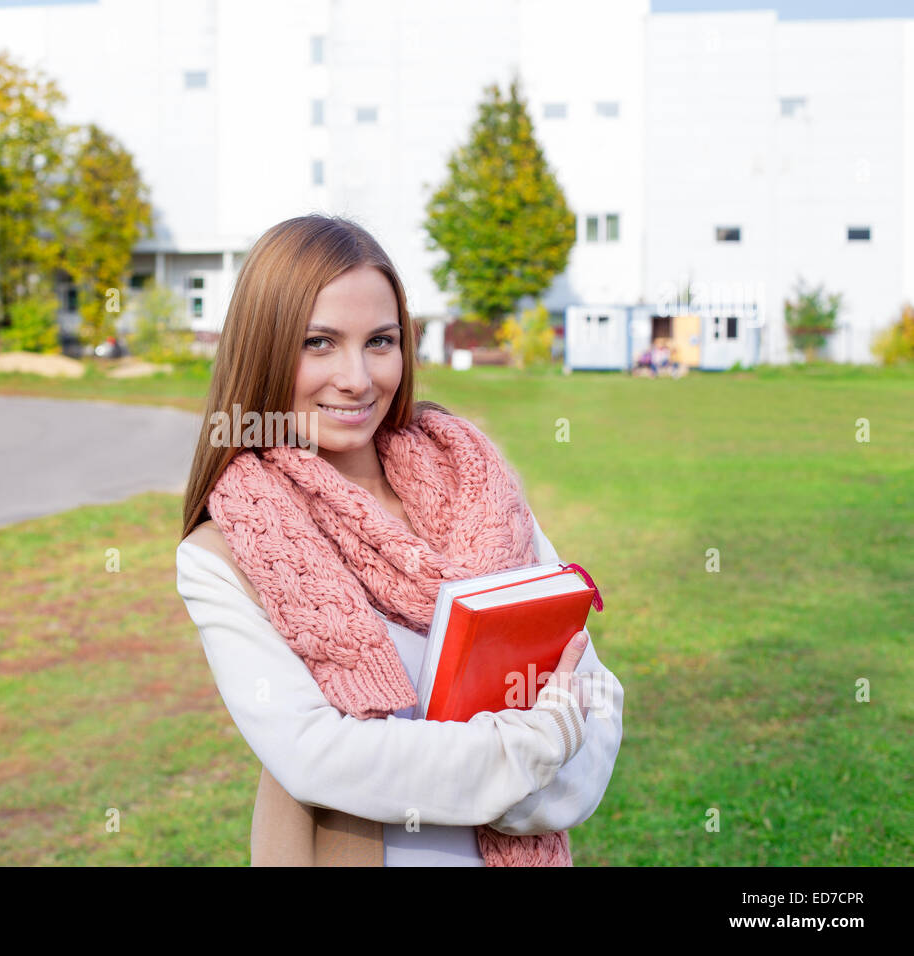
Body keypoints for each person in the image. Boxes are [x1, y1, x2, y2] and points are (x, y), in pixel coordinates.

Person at [175, 214, 624, 867]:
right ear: (265, 348)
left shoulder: (482, 494)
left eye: (380, 341)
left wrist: (535, 785)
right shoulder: (226, 553)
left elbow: (593, 694)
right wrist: (527, 749)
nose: (357, 377)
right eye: (320, 342)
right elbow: (317, 755)